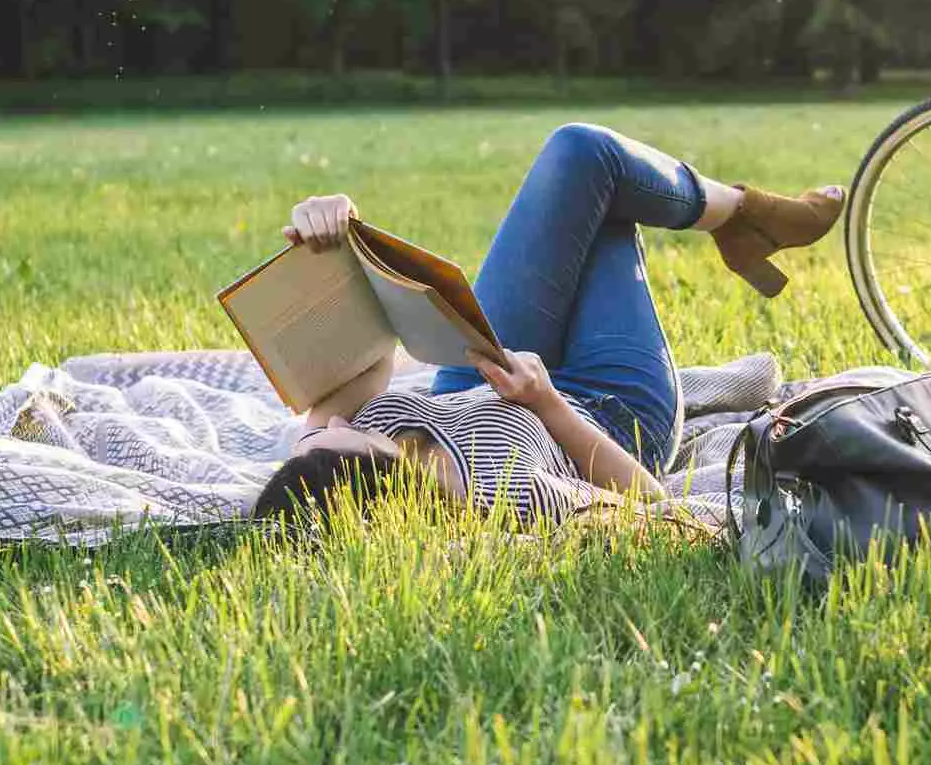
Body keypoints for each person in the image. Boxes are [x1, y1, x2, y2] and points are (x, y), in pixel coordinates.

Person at [253, 122, 843, 524]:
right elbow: (650, 502)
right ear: (373, 467)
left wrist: (334, 240)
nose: (320, 425)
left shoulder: (353, 435)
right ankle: (747, 217)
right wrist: (547, 403)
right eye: (328, 436)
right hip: (607, 409)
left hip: (476, 373)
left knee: (577, 151)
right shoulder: (504, 495)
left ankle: (743, 218)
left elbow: (371, 356)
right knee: (602, 180)